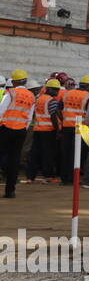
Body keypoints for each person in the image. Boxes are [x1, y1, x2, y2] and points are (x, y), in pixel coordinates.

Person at [0, 70, 35, 198]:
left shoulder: (11, 92)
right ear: (25, 81)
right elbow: (30, 117)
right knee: (14, 160)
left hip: (5, 128)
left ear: (14, 81)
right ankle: (10, 191)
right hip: (20, 131)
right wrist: (23, 129)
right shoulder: (31, 96)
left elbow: (1, 110)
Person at [60, 74, 89, 185]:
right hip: (79, 129)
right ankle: (72, 179)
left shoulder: (67, 93)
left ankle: (64, 179)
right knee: (76, 154)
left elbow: (57, 109)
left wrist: (64, 119)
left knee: (65, 153)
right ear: (88, 86)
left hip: (66, 127)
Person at [27, 78, 63, 183]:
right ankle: (48, 176)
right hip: (48, 131)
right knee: (48, 154)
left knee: (35, 153)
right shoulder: (51, 101)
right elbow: (53, 117)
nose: (57, 92)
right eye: (55, 90)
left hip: (38, 129)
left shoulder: (39, 99)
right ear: (49, 89)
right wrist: (58, 131)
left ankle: (30, 176)